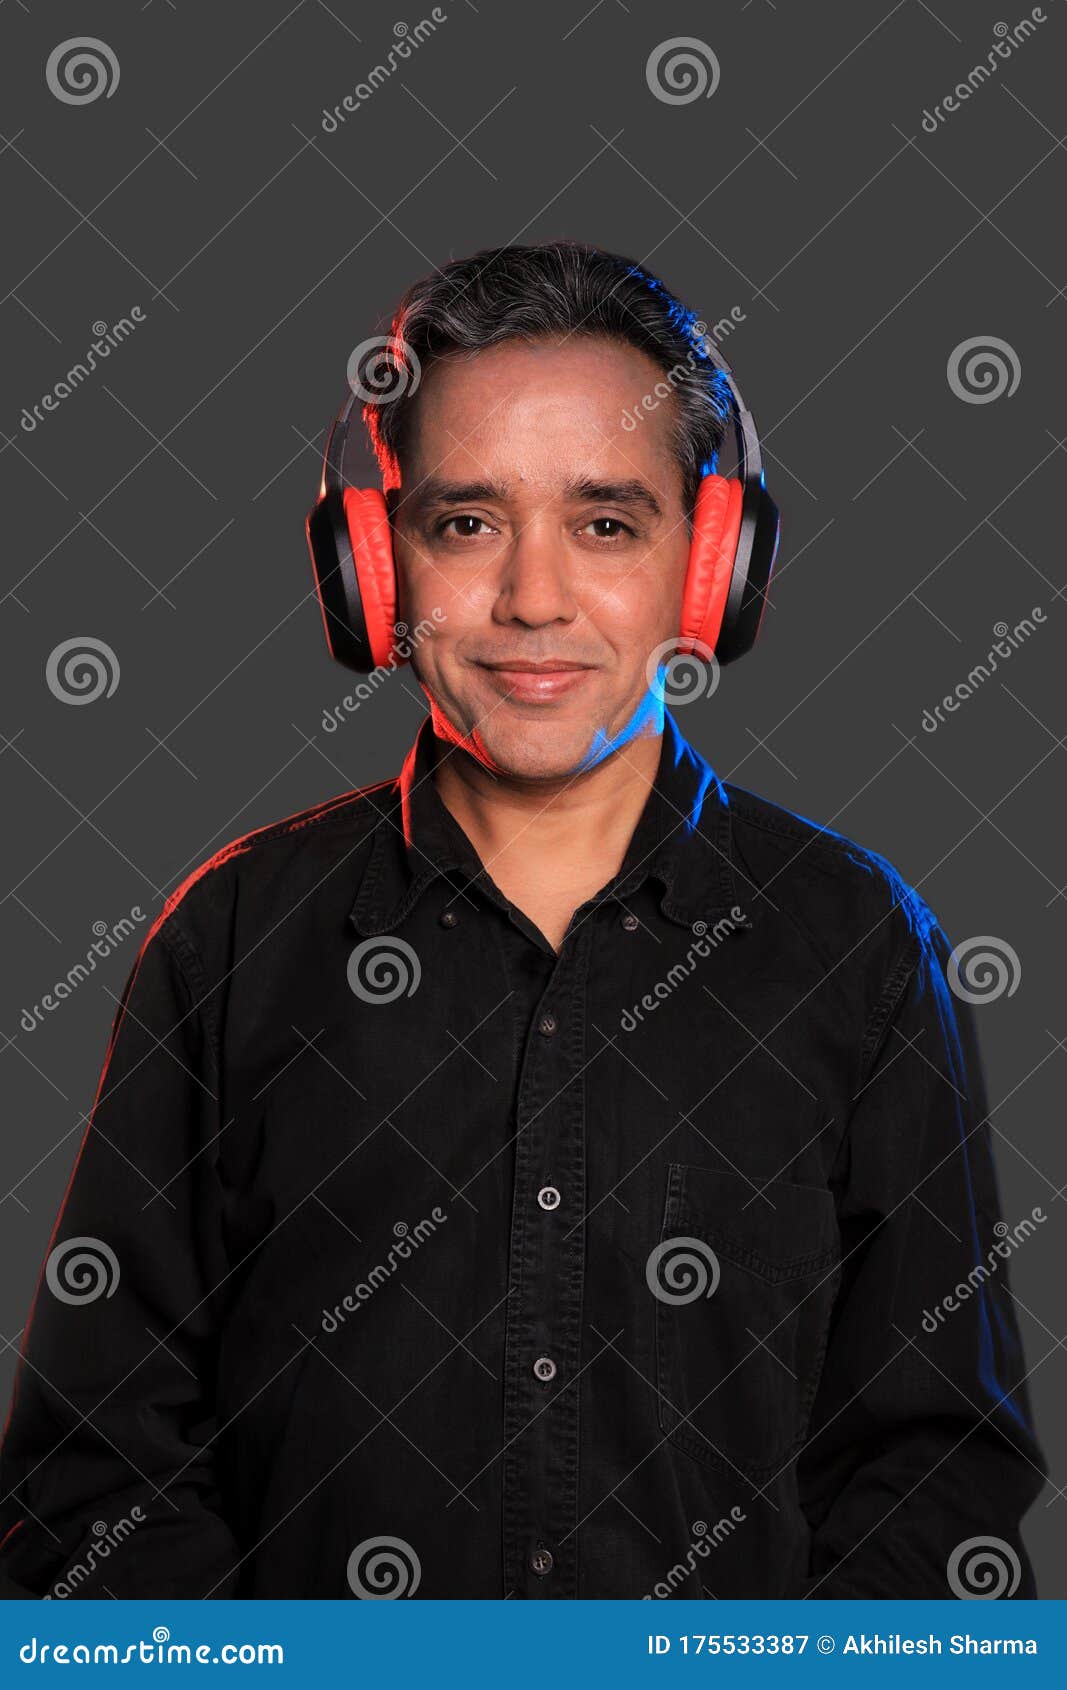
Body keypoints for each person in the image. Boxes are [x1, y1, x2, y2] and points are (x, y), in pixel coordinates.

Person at [0, 241, 1046, 1600]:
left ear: (711, 564)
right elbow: (96, 1480)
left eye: (606, 523)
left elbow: (932, 1477)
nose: (533, 599)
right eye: (465, 523)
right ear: (372, 568)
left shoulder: (857, 948)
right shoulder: (234, 937)